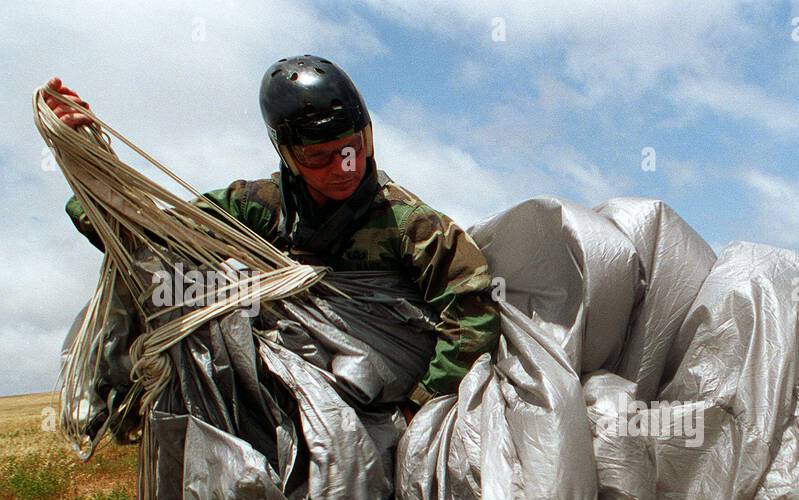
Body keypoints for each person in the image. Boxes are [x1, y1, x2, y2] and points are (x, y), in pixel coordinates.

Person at [44, 55, 500, 397]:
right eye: (318, 157)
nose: (344, 166)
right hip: (280, 393)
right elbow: (153, 238)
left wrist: (420, 404)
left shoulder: (412, 225)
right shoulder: (257, 207)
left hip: (386, 395)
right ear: (287, 155)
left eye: (353, 147)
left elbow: (472, 314)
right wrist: (91, 163)